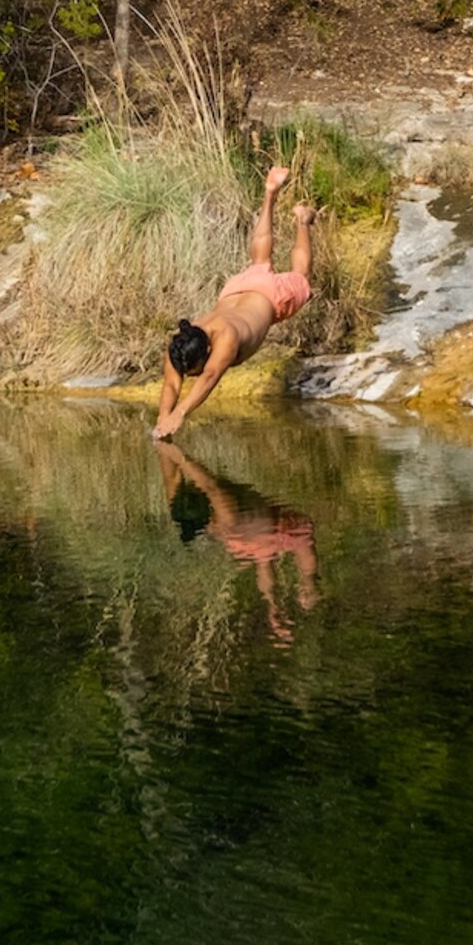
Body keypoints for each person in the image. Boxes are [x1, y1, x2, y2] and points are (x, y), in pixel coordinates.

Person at [152, 164, 315, 441]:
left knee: (302, 275)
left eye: (196, 368)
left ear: (208, 350)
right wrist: (161, 419)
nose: (194, 374)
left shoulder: (226, 340)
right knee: (260, 260)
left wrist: (179, 413)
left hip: (270, 296)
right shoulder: (181, 343)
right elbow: (170, 383)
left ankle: (304, 219)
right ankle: (269, 194)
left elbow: (211, 376)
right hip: (235, 291)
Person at [157, 439, 320, 642]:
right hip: (260, 528)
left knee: (263, 560)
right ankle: (309, 584)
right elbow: (211, 486)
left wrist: (163, 445)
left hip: (244, 540)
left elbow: (170, 478)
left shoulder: (182, 508)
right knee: (302, 539)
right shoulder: (224, 513)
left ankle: (272, 605)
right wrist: (180, 456)